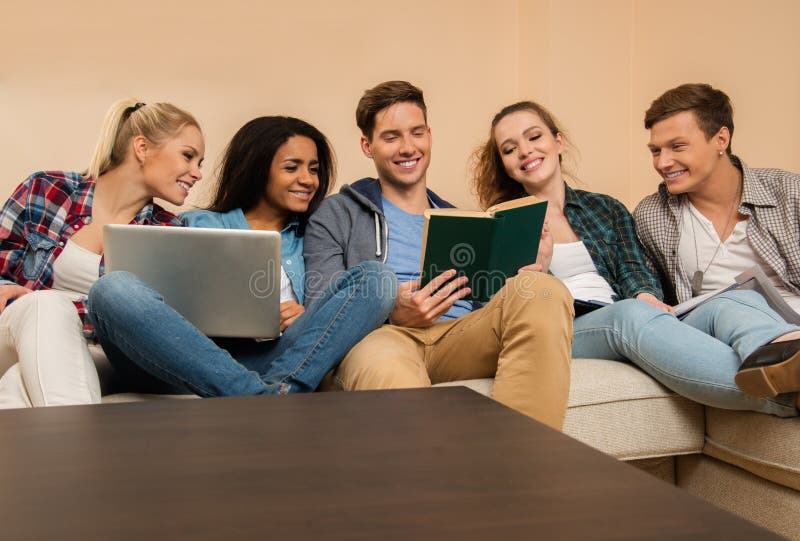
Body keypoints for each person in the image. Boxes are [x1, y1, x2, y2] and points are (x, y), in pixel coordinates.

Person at [472, 99, 800, 417]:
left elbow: (633, 267)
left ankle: (785, 354)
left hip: (627, 311)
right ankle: (785, 400)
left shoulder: (605, 208)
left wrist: (645, 295)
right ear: (505, 164)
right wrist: (539, 270)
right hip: (566, 327)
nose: (525, 150)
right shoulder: (502, 224)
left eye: (534, 137)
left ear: (558, 142)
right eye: (510, 148)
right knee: (628, 316)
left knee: (731, 303)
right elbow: (495, 311)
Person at [303, 81, 573, 430]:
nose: (408, 147)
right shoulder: (337, 213)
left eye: (417, 132)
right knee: (385, 364)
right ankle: (430, 478)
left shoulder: (461, 219)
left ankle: (517, 467)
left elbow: (489, 303)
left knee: (544, 289)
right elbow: (320, 305)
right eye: (391, 137)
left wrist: (529, 271)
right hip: (382, 338)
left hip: (459, 334)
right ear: (367, 146)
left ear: (429, 134)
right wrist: (390, 311)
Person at [88, 116, 396, 397]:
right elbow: (162, 308)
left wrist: (306, 315)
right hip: (180, 360)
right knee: (111, 288)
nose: (308, 180)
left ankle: (275, 391)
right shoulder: (197, 224)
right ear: (258, 169)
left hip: (272, 359)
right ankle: (256, 397)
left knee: (376, 277)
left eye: (313, 169)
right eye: (292, 167)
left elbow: (327, 322)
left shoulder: (315, 237)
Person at [0, 98, 202, 408]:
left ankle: (69, 452)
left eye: (199, 163)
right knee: (47, 305)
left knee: (16, 385)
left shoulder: (168, 232)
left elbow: (153, 325)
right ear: (142, 148)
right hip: (15, 328)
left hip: (97, 350)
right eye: (188, 156)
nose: (196, 173)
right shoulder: (48, 189)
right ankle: (84, 451)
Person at [634, 83, 800, 401]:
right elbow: (652, 294)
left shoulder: (789, 193)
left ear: (720, 139)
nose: (663, 162)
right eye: (656, 151)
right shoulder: (652, 215)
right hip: (718, 330)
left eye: (677, 147)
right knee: (734, 303)